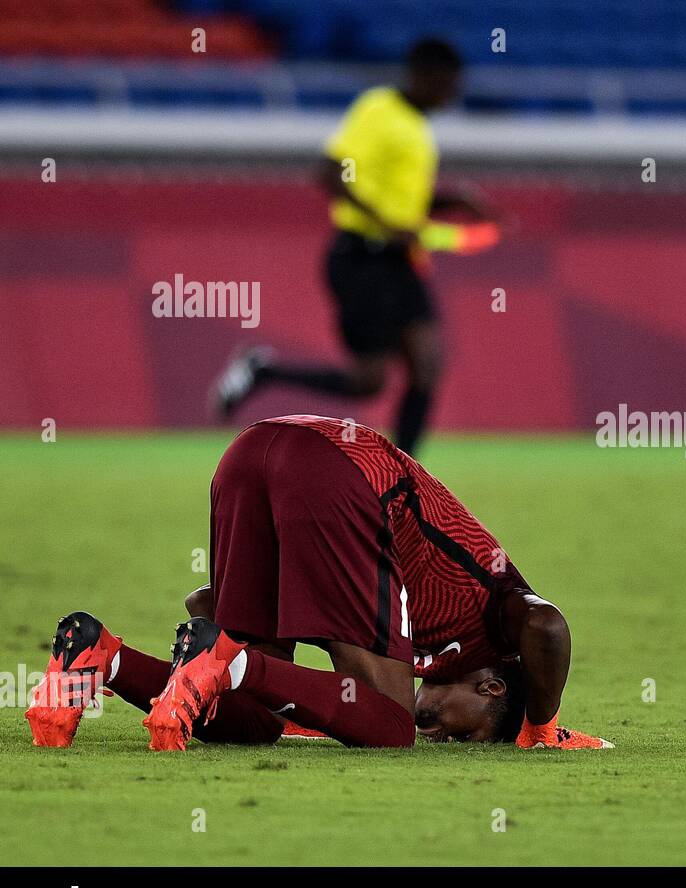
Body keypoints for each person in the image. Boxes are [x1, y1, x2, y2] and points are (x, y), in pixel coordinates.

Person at [25, 415, 610, 751]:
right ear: (491, 690)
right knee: (387, 727)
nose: (443, 738)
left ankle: (101, 657)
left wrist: (244, 648)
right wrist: (539, 728)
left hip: (247, 454)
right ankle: (226, 664)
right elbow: (548, 625)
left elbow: (206, 605)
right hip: (342, 470)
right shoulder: (496, 619)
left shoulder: (422, 650)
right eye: (466, 737)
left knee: (254, 723)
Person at [211, 37, 498, 455]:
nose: (452, 94)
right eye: (448, 83)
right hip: (361, 258)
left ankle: (405, 478)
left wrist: (454, 200)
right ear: (423, 75)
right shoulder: (379, 110)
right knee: (369, 382)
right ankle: (264, 371)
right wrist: (386, 225)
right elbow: (330, 173)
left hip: (399, 261)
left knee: (428, 364)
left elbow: (403, 206)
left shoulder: (418, 127)